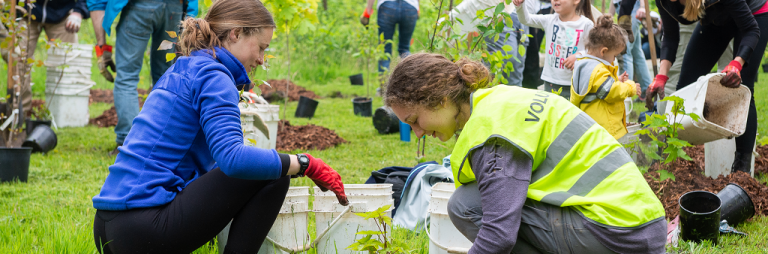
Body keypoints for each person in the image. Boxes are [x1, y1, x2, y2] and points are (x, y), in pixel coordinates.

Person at [91, 1, 349, 253]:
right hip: (144, 229)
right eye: (260, 48)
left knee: (263, 167)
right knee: (274, 174)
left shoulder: (183, 67)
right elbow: (233, 159)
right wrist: (304, 164)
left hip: (108, 224)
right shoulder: (214, 76)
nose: (261, 59)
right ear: (236, 33)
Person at [386, 53, 665, 253]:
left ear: (440, 99)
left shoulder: (491, 133)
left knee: (464, 205)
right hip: (638, 224)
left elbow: (498, 236)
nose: (418, 133)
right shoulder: (500, 101)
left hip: (618, 233)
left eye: (414, 120)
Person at [646, 0, 767, 173]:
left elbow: (751, 30)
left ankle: (742, 171)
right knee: (685, 83)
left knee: (742, 88)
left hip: (754, 14)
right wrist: (661, 76)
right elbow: (671, 37)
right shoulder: (664, 1)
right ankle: (669, 159)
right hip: (717, 18)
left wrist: (737, 64)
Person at [87, 0, 198, 155]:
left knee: (127, 77)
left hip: (140, 6)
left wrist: (102, 47)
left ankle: (129, 142)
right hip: (174, 6)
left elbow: (96, 2)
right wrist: (189, 17)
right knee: (166, 77)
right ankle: (162, 142)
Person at [571, 15, 641, 139]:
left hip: (592, 127)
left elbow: (597, 88)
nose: (614, 59)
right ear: (603, 51)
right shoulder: (597, 70)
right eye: (615, 55)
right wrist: (630, 87)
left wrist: (615, 80)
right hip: (604, 130)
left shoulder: (584, 64)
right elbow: (611, 92)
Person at [15, 0, 89, 114]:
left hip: (62, 14)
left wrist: (79, 11)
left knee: (69, 64)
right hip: (27, 13)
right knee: (19, 63)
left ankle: (67, 113)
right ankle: (20, 113)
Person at [515, 0, 594, 100]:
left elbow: (595, 51)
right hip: (550, 82)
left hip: (573, 85)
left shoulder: (586, 24)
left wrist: (579, 55)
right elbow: (526, 20)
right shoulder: (550, 20)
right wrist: (520, 6)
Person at [449, 0, 537, 86]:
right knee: (500, 62)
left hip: (525, 14)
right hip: (501, 12)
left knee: (517, 68)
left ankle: (514, 98)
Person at [360, 0, 419, 73]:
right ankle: (409, 82)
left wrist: (367, 13)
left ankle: (384, 82)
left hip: (387, 6)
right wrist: (417, 8)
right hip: (411, 6)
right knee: (405, 49)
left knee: (384, 49)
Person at [618, 0, 653, 99]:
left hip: (632, 9)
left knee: (625, 51)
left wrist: (642, 6)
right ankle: (647, 92)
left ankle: (626, 95)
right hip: (622, 8)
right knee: (636, 52)